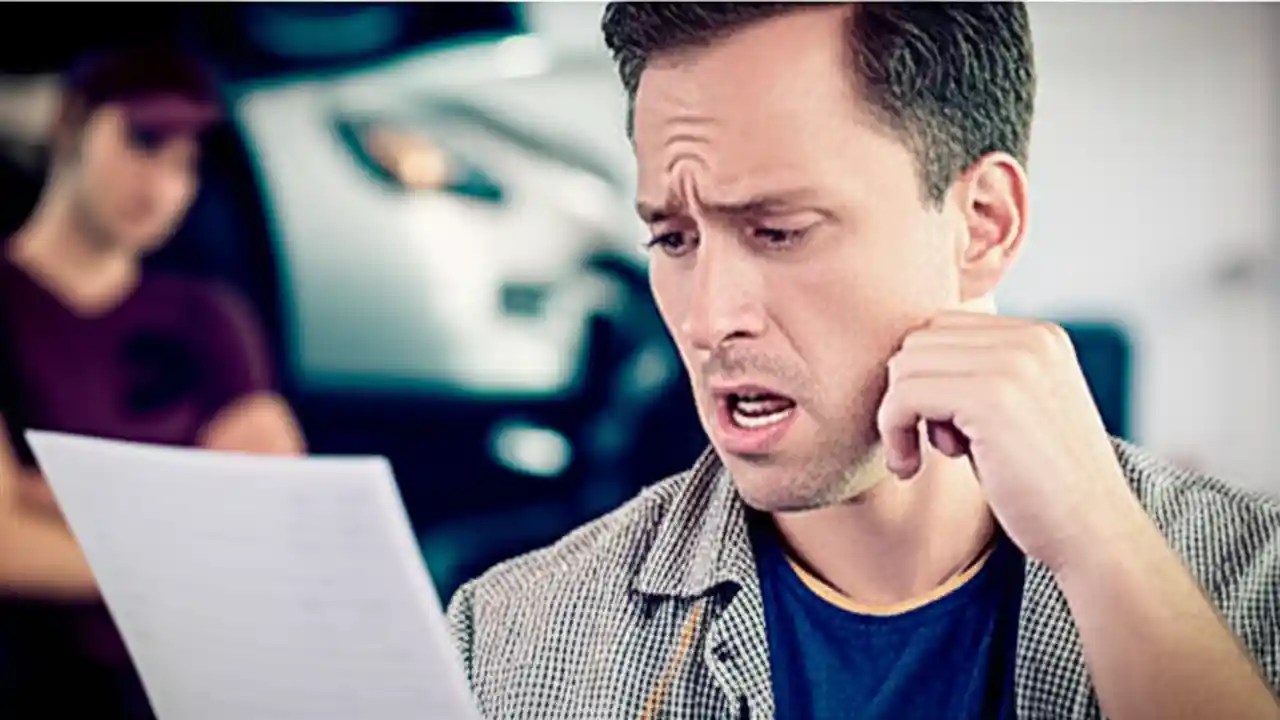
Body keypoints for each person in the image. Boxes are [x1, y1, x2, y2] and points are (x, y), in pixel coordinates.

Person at [446, 4, 1280, 719]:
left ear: (983, 224)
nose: (707, 320)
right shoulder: (509, 646)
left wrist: (1106, 552)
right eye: (674, 238)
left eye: (779, 231)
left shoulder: (1261, 589)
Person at [0, 45, 305, 719]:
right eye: (143, 142)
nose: (163, 187)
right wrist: (190, 534)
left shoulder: (210, 314)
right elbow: (6, 546)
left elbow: (268, 519)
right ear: (72, 124)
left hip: (191, 681)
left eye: (186, 165)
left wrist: (49, 496)